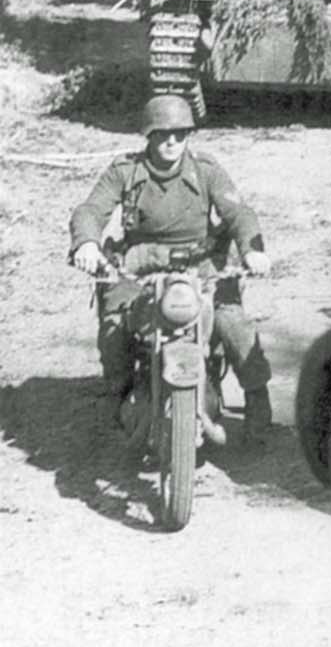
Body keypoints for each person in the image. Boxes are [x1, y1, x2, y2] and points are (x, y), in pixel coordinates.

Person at [68, 94, 275, 444]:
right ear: (149, 135)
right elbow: (90, 210)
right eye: (163, 134)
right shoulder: (126, 171)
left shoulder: (205, 170)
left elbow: (238, 213)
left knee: (231, 322)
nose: (172, 142)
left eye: (180, 134)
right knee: (116, 325)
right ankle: (119, 394)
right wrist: (87, 243)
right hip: (139, 263)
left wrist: (252, 251)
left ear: (189, 135)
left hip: (201, 262)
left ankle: (257, 396)